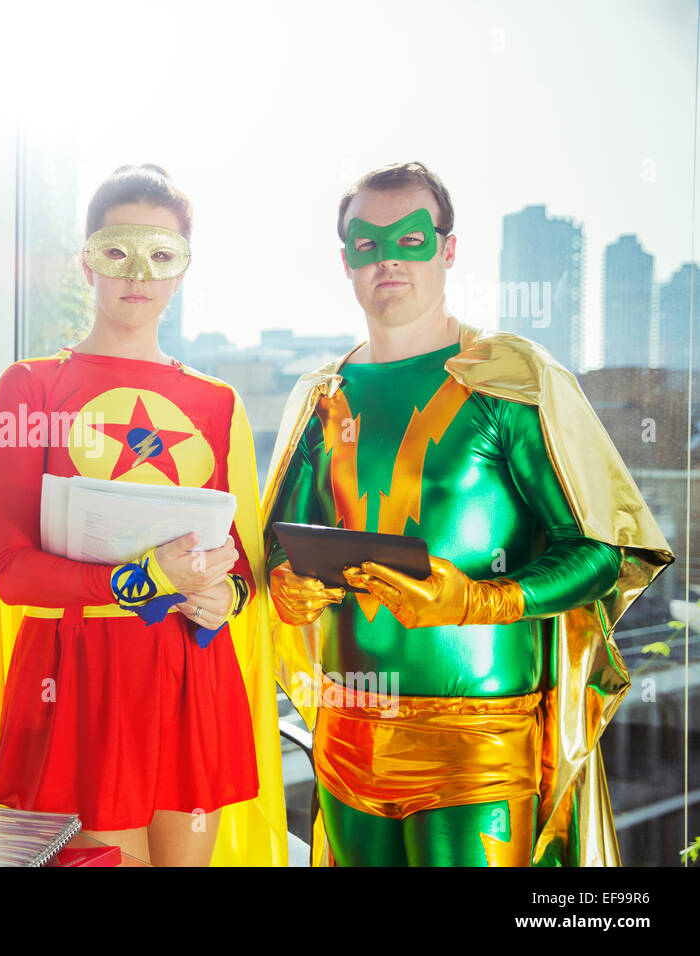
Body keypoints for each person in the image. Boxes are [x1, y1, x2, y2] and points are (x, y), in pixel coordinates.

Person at [260, 161, 673, 866]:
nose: (389, 257)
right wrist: (286, 586)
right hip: (346, 736)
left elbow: (603, 547)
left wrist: (482, 599)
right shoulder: (322, 395)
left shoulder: (509, 377)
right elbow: (281, 546)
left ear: (447, 250)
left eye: (412, 238)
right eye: (368, 242)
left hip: (479, 742)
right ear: (345, 261)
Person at [0, 164, 288, 866]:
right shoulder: (29, 386)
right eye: (118, 251)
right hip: (77, 678)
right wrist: (140, 579)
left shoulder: (218, 401)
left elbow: (239, 567)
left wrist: (219, 591)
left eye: (161, 254)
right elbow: (11, 571)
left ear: (181, 272)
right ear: (87, 262)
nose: (138, 273)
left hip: (190, 676)